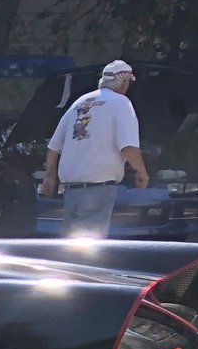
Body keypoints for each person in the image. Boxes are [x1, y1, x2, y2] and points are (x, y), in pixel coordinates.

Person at [41, 59, 149, 237]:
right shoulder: (121, 103)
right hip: (99, 188)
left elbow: (54, 146)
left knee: (71, 247)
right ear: (123, 82)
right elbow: (128, 147)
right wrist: (141, 172)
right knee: (89, 250)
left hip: (71, 190)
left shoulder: (79, 103)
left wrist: (50, 177)